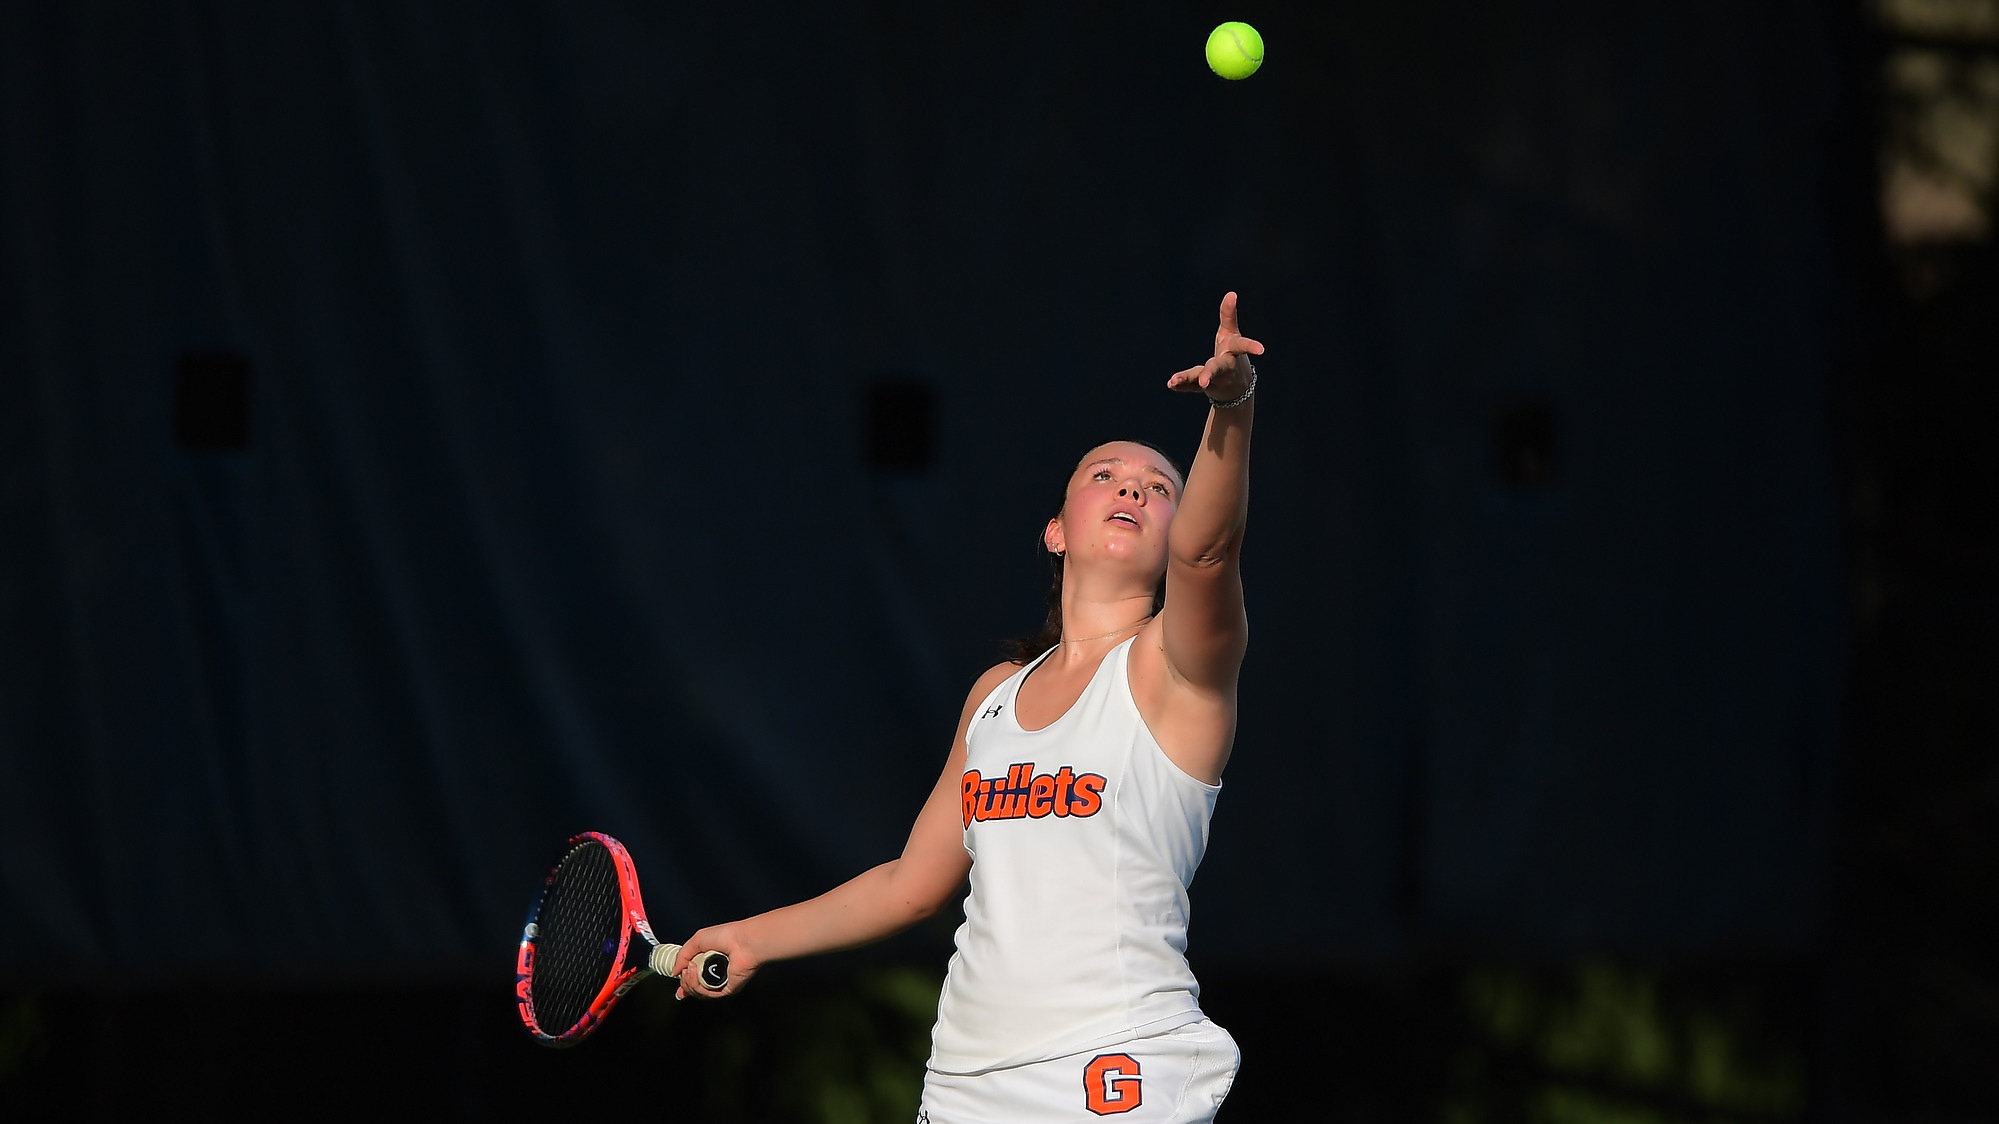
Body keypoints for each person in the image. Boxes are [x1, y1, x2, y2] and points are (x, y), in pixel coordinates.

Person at [668, 292, 1263, 1123]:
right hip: (964, 1082)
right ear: (1056, 530)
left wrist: (1228, 408)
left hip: (1115, 1068)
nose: (1131, 488)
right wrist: (752, 937)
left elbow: (1210, 550)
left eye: (1157, 487)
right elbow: (911, 885)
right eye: (1105, 476)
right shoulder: (995, 695)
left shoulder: (1178, 668)